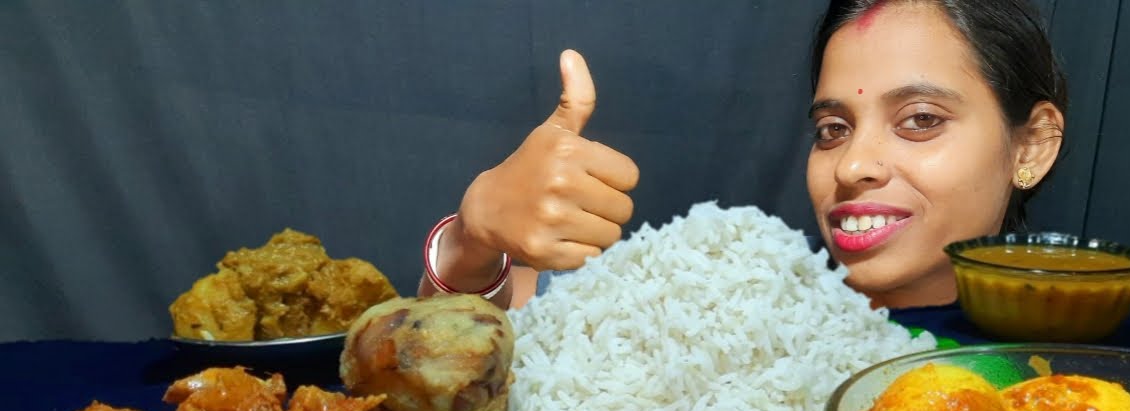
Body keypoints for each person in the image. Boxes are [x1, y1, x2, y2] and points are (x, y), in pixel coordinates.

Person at [417, 0, 1067, 311]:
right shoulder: (744, 318)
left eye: (920, 120)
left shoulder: (1069, 387)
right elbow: (467, 342)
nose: (852, 165)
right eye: (833, 129)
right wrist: (473, 239)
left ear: (1030, 145)